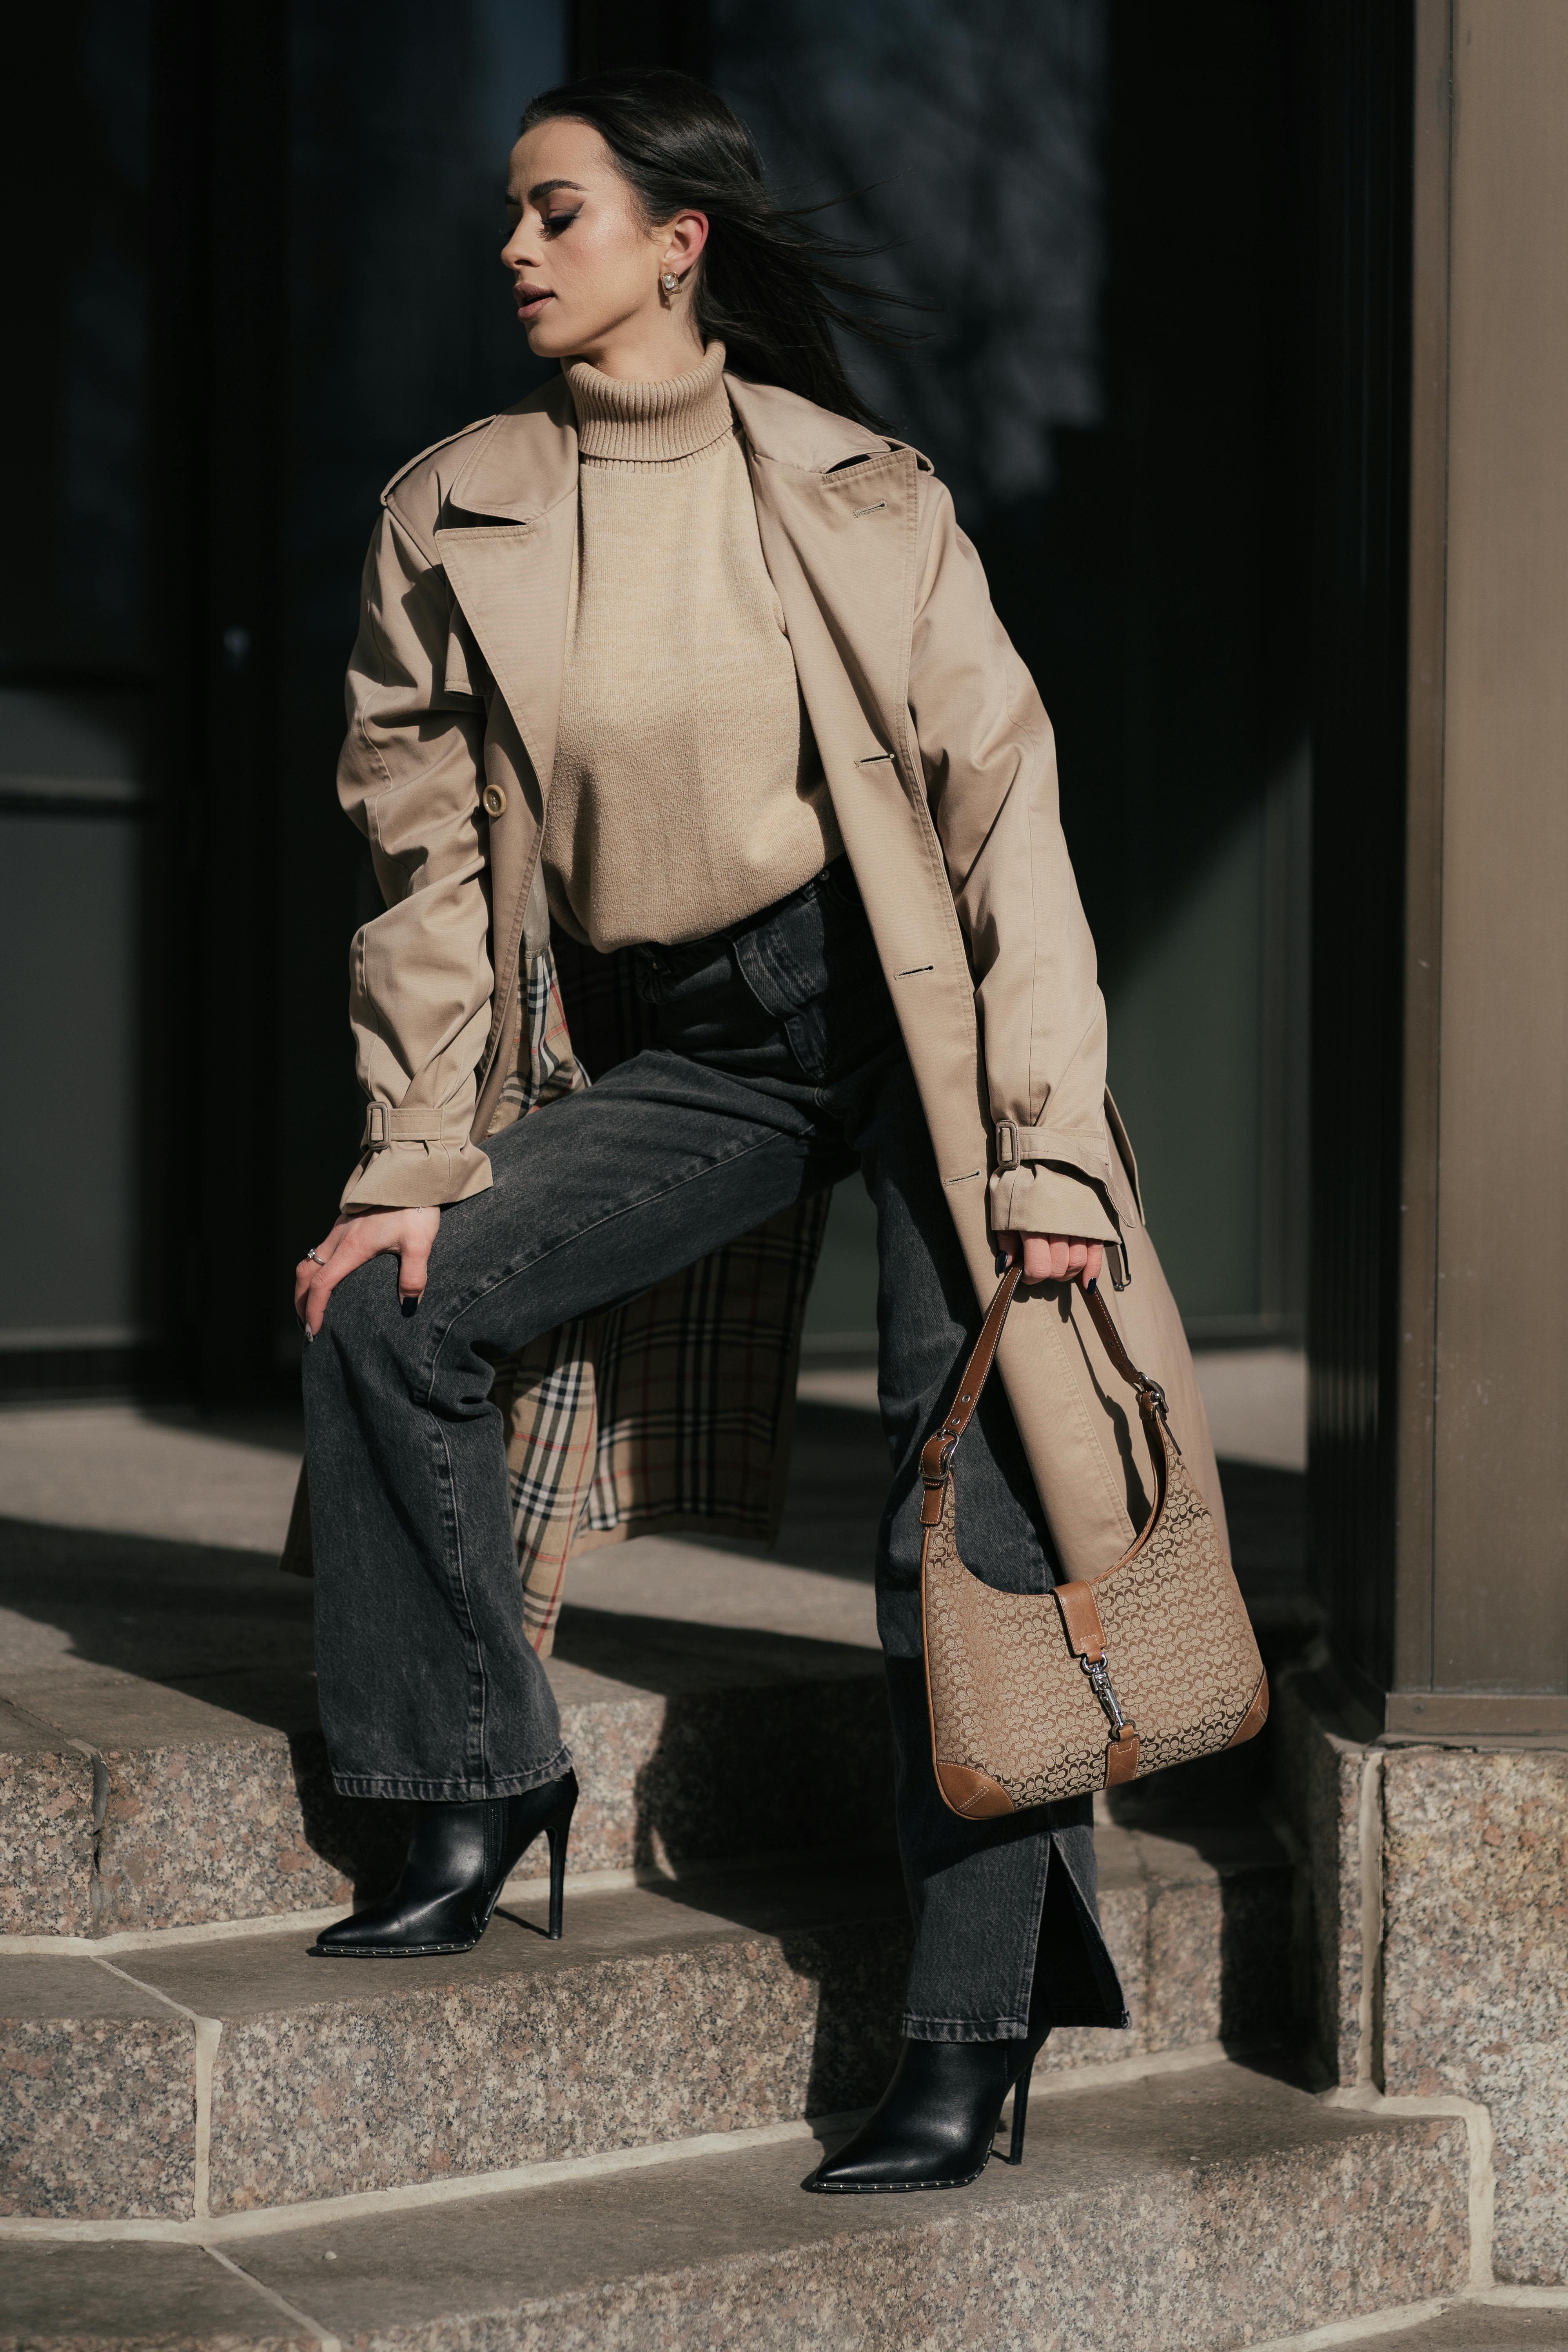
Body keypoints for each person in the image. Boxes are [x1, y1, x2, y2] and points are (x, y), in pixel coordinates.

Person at [293, 67, 1226, 2194]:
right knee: (386, 1313)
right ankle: (468, 1786)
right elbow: (423, 869)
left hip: (905, 1017)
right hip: (690, 1047)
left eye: (558, 211)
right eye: (514, 214)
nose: (516, 249)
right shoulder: (453, 513)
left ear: (678, 240)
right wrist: (407, 1162)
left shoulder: (856, 493)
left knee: (965, 1498)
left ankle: (973, 2027)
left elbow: (1007, 824)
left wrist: (1048, 1154)